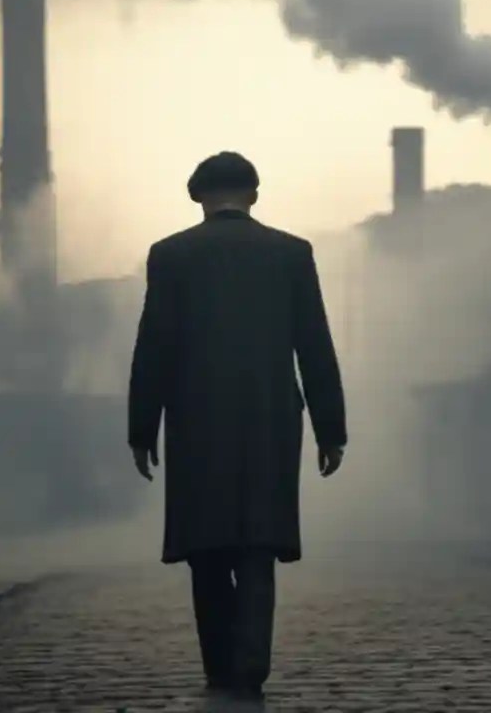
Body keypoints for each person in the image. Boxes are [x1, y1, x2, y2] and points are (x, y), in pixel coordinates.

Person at [128, 151, 347, 700]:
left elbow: (153, 346)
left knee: (206, 548)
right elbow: (313, 344)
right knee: (257, 544)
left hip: (195, 420)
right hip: (270, 420)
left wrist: (141, 427)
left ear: (197, 195)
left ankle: (220, 667)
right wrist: (331, 427)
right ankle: (250, 666)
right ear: (254, 193)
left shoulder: (170, 255)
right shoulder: (291, 253)